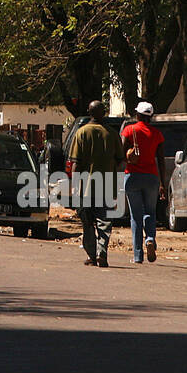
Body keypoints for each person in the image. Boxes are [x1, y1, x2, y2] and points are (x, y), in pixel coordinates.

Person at [68, 101, 123, 267]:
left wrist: (74, 185)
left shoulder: (81, 133)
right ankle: (102, 253)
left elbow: (75, 163)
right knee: (104, 221)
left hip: (85, 187)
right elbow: (122, 162)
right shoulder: (112, 134)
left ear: (88, 111)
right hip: (107, 185)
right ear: (104, 113)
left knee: (87, 222)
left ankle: (92, 255)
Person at [121, 100, 168, 263]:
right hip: (152, 178)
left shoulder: (129, 130)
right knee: (150, 212)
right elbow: (161, 161)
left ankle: (137, 255)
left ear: (138, 115)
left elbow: (121, 153)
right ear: (151, 116)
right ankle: (150, 237)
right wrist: (162, 183)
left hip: (132, 176)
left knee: (135, 216)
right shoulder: (157, 134)